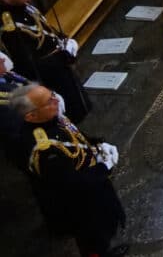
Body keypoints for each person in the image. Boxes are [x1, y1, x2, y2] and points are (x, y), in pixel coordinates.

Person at [10, 83, 125, 257]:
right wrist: (104, 167)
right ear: (31, 116)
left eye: (52, 95)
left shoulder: (52, 117)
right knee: (94, 240)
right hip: (81, 203)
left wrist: (97, 143)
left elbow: (76, 136)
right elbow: (72, 184)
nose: (56, 101)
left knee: (105, 226)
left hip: (93, 185)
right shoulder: (44, 150)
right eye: (48, 101)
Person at [0, 0, 90, 123]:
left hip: (59, 63)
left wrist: (63, 40)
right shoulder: (9, 27)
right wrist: (59, 56)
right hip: (48, 75)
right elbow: (27, 63)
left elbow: (45, 28)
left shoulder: (25, 7)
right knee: (67, 110)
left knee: (77, 99)